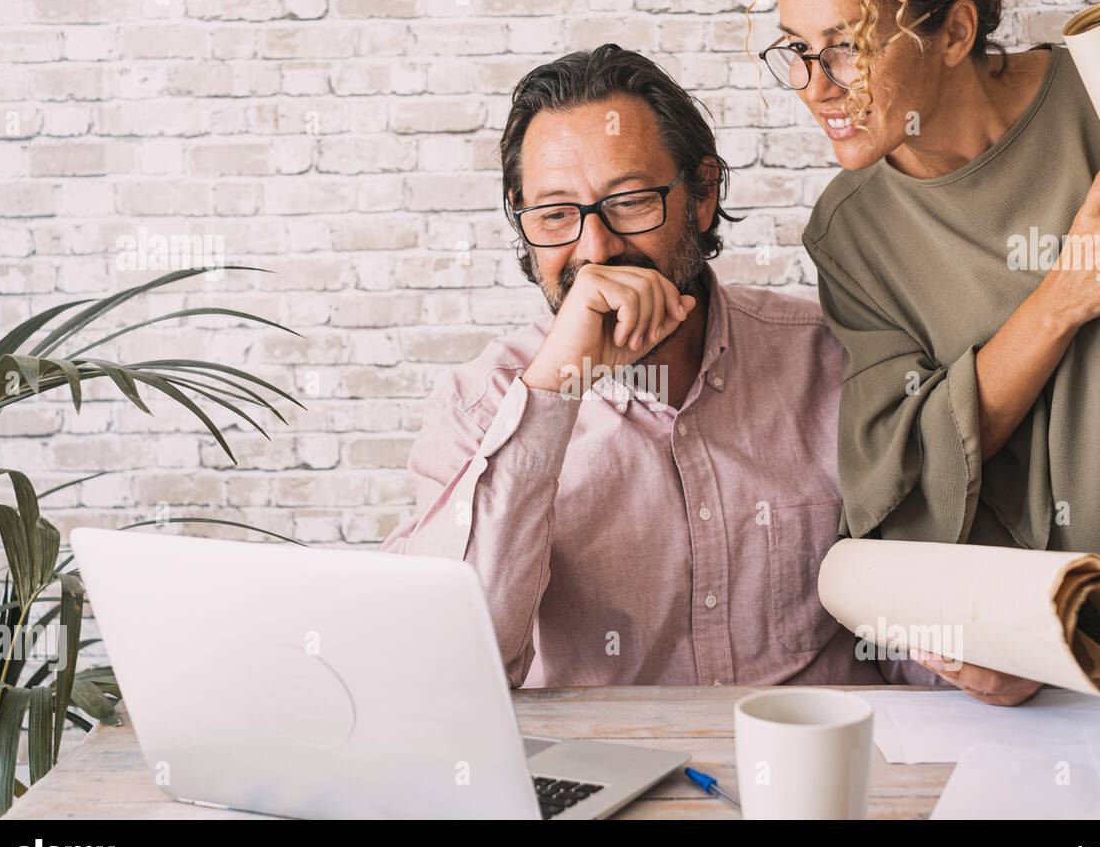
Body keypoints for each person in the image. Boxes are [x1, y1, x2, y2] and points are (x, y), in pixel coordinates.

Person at [381, 45, 963, 693]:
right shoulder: (478, 408)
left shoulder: (832, 362)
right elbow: (449, 670)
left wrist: (967, 659)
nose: (596, 250)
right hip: (609, 782)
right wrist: (552, 395)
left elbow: (906, 637)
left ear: (704, 193)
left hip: (818, 768)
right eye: (554, 216)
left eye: (629, 202)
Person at [761, 0, 1100, 686]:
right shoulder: (852, 232)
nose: (816, 88)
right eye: (798, 51)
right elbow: (902, 469)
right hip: (1065, 664)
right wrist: (1062, 298)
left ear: (957, 32)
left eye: (848, 47)